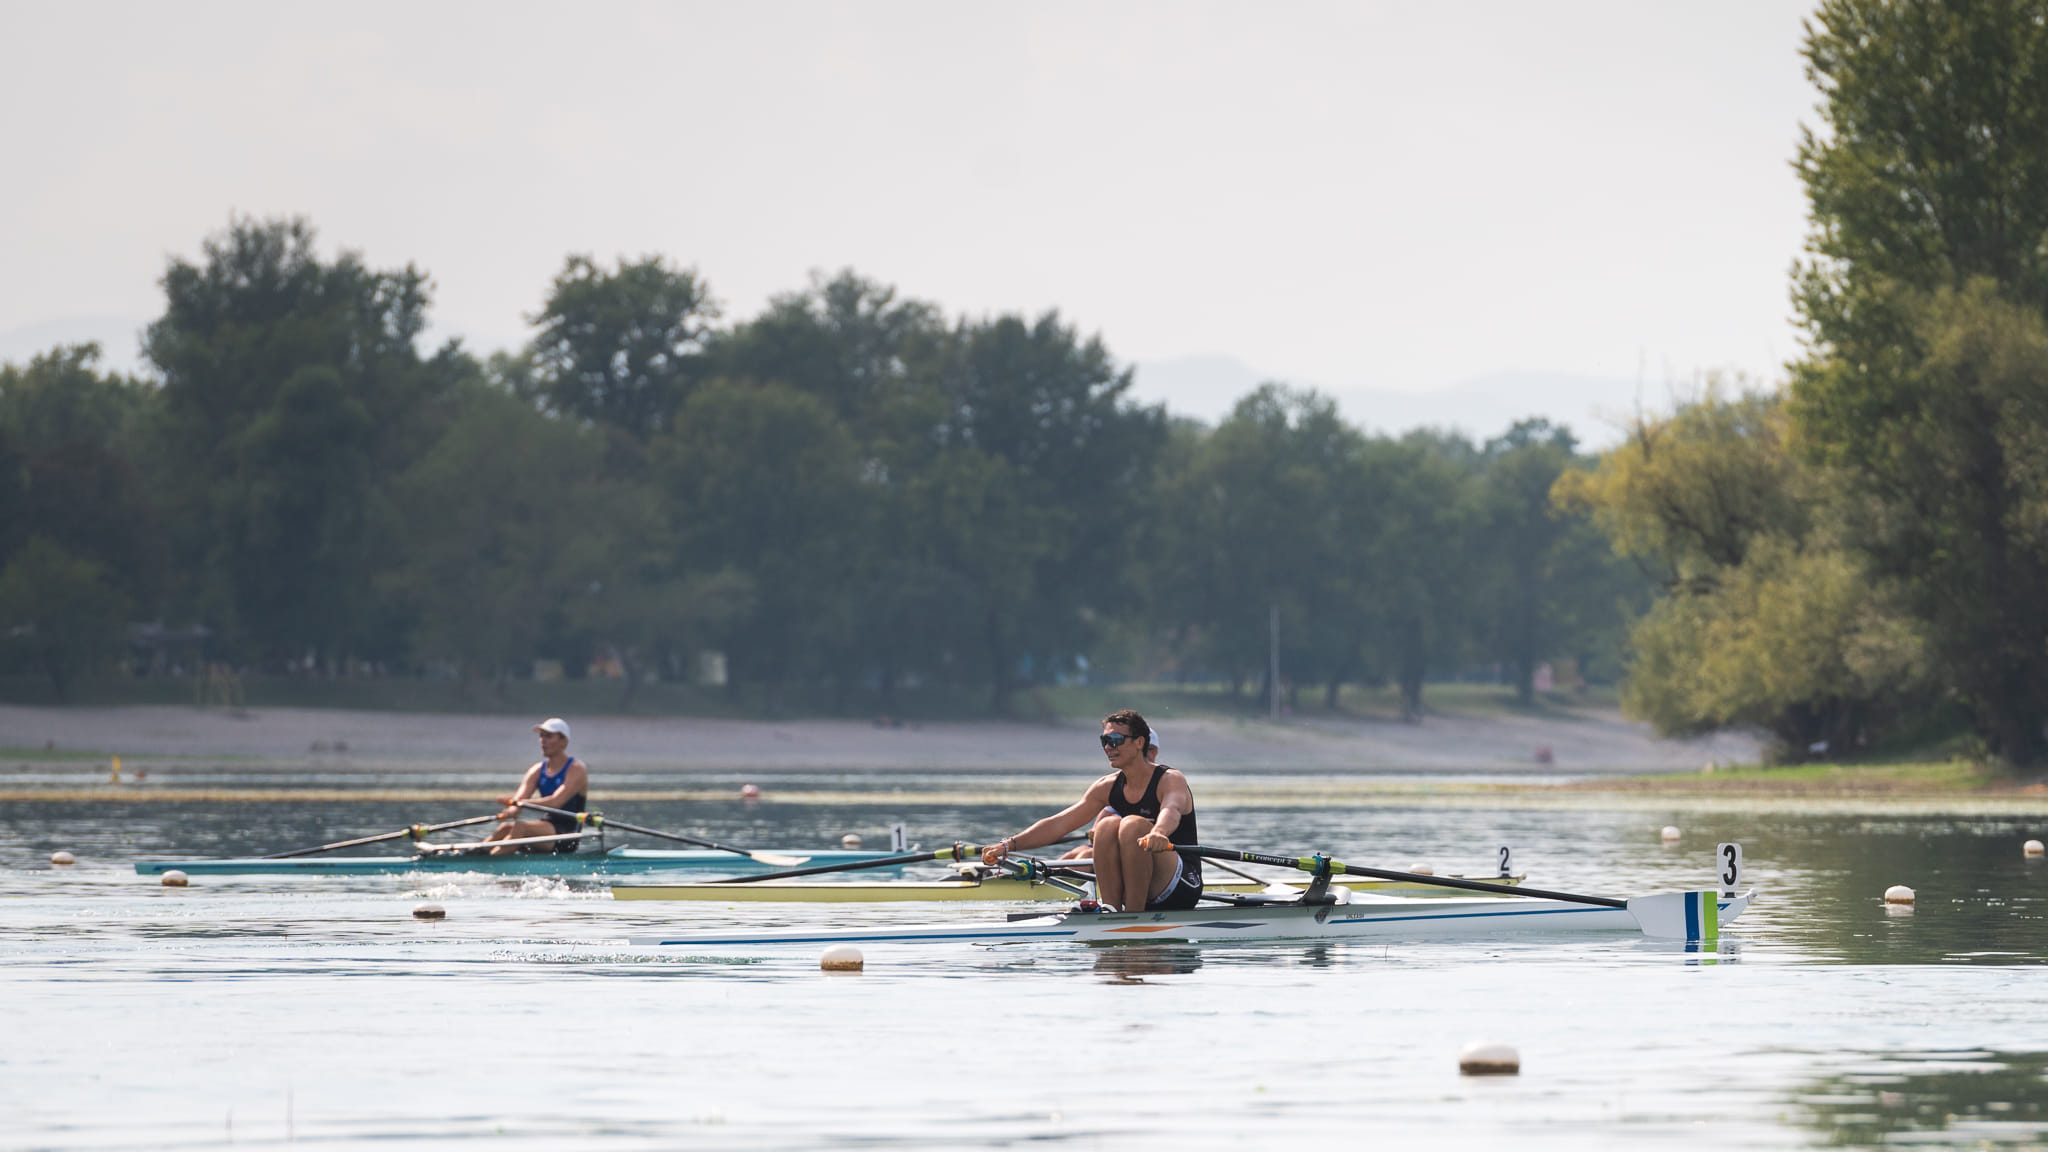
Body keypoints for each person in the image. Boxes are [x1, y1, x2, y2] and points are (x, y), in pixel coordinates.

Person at [983, 710, 1201, 911]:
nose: (1109, 747)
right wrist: (1007, 846)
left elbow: (1170, 810)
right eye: (1104, 741)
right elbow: (1060, 823)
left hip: (1181, 884)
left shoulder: (1170, 779)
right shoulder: (1106, 786)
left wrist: (1159, 833)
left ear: (1139, 742)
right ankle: (1111, 909)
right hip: (1143, 879)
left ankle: (1134, 916)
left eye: (1115, 740)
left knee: (1132, 825)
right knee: (1105, 826)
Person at [484, 718, 589, 854]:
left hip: (567, 834)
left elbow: (555, 802)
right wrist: (510, 810)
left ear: (564, 741)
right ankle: (471, 855)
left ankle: (490, 861)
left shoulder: (576, 769)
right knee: (505, 828)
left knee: (521, 827)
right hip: (546, 827)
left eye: (549, 736)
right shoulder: (537, 770)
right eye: (541, 736)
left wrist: (518, 803)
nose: (543, 741)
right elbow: (516, 806)